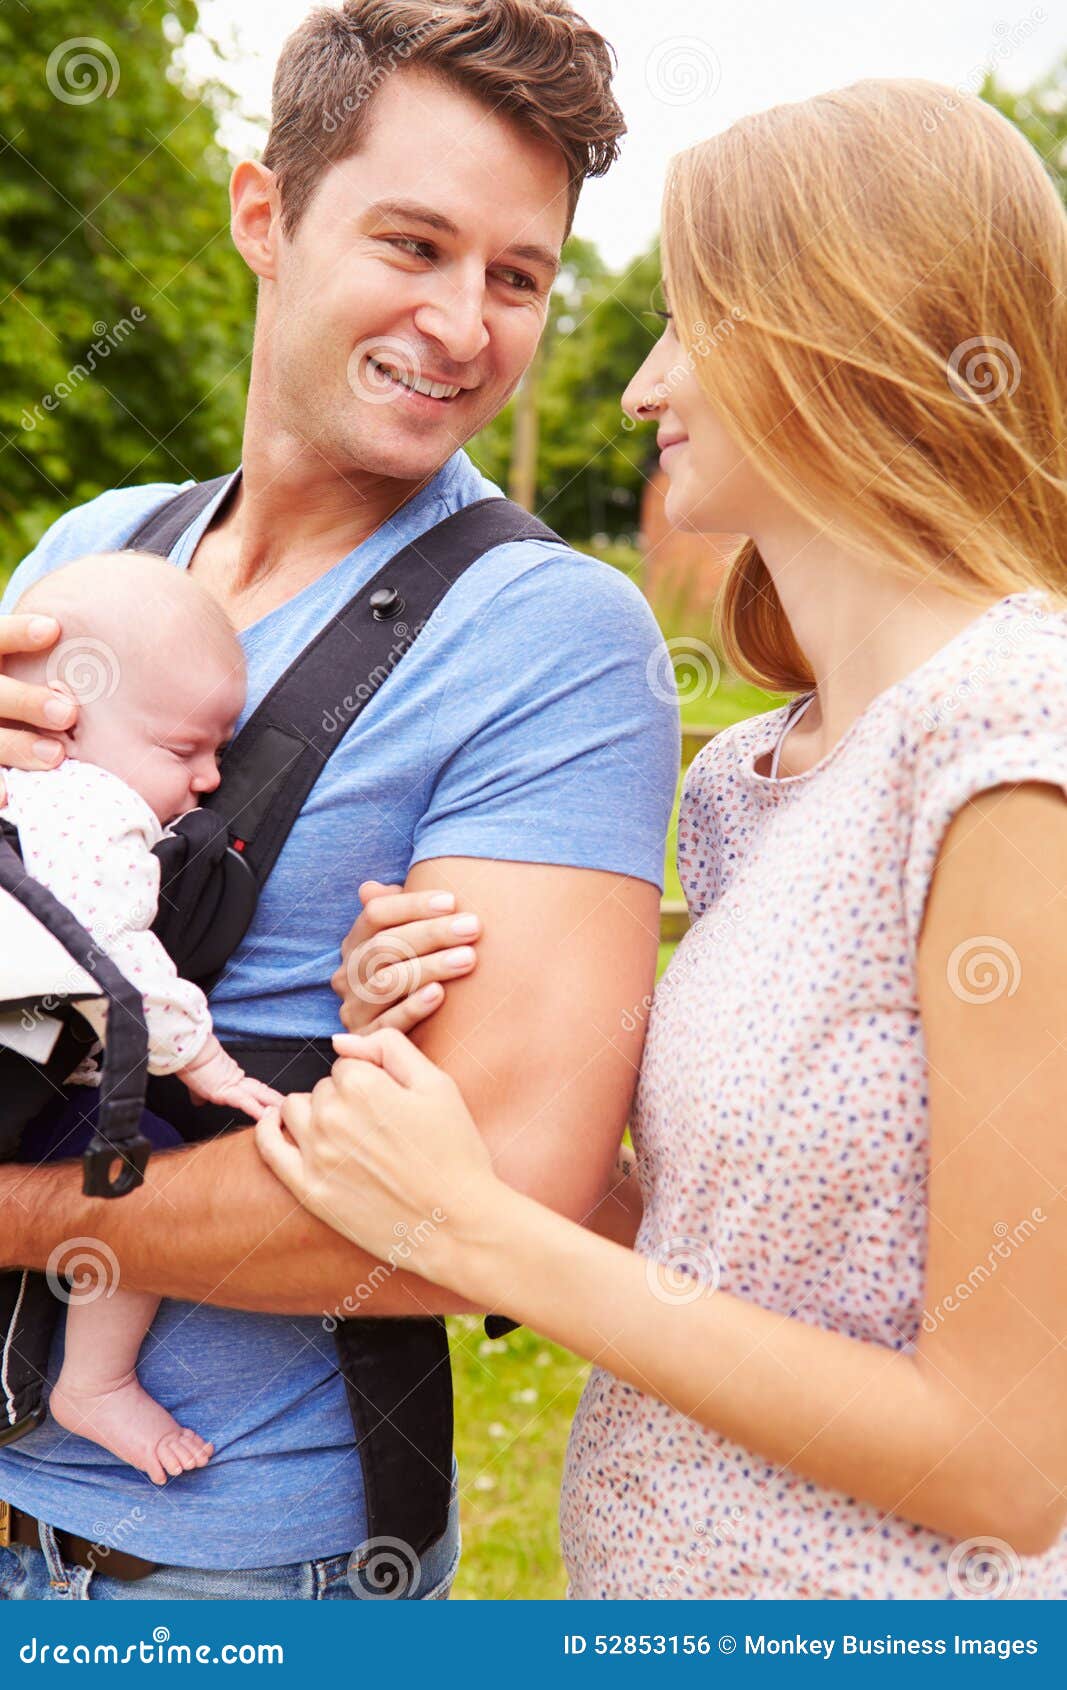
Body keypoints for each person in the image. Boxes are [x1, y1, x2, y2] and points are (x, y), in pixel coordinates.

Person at [257, 79, 1067, 1600]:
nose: (639, 386)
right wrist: (446, 1086)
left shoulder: (1016, 739)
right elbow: (722, 1266)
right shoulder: (761, 771)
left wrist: (475, 1229)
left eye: (688, 320)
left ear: (843, 333)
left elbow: (1010, 1461)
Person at [0, 1, 677, 1601]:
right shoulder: (99, 544)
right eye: (414, 243)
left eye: (517, 277)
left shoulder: (557, 638)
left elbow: (511, 1179)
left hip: (229, 1564)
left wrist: (18, 1210)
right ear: (264, 215)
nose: (463, 324)